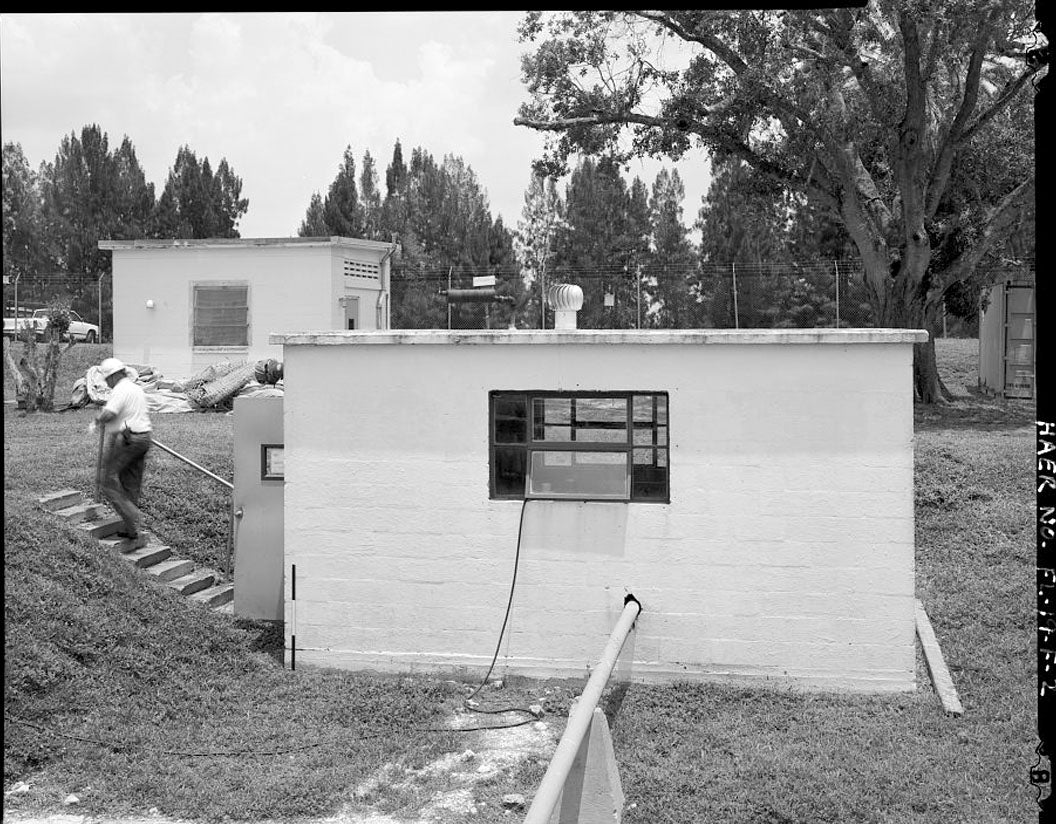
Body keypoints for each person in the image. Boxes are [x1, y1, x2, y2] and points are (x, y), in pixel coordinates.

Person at [89, 357, 152, 549]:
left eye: (108, 378)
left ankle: (132, 515)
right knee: (130, 484)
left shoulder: (121, 389)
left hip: (126, 439)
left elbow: (110, 413)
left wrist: (96, 421)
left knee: (106, 480)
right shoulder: (135, 388)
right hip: (144, 438)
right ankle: (131, 530)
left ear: (115, 375)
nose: (107, 382)